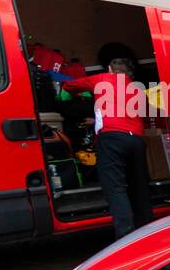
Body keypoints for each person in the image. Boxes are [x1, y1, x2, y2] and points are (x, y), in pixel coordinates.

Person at [62, 58, 153, 238]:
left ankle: (125, 237)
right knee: (139, 186)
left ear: (110, 69)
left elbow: (69, 86)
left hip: (112, 138)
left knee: (115, 187)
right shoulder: (137, 88)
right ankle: (147, 232)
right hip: (136, 140)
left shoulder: (102, 79)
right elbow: (143, 112)